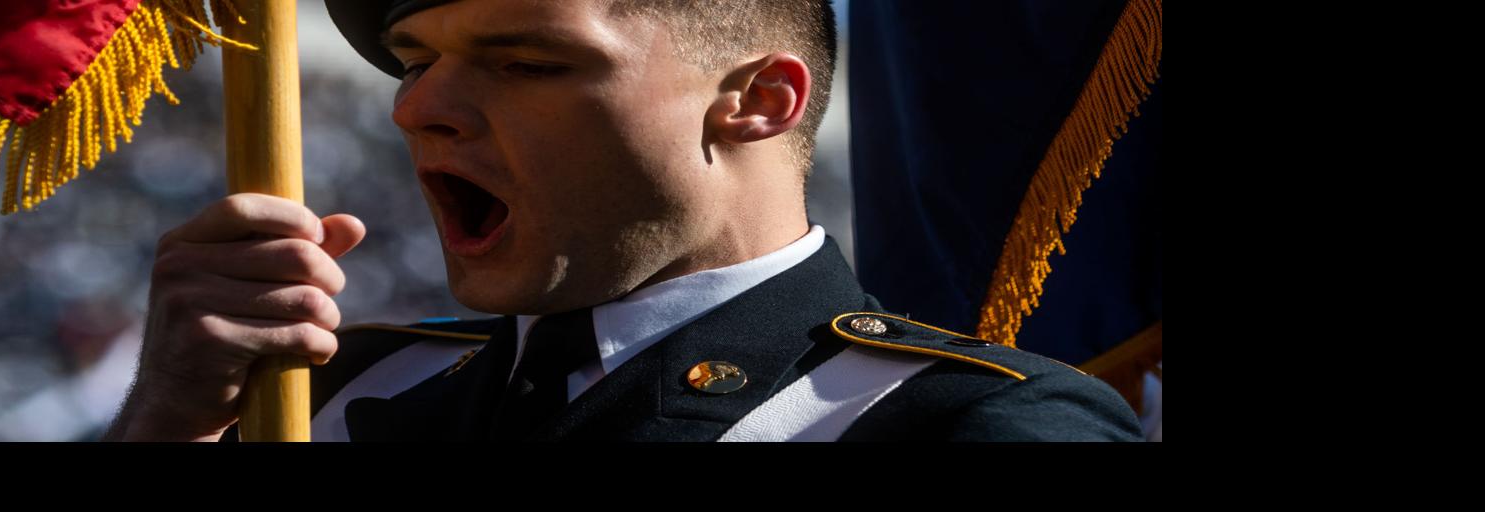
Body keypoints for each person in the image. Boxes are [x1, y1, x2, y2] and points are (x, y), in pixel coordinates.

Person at [103, 0, 1144, 441]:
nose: (415, 107)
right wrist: (168, 421)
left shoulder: (962, 425)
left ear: (760, 101)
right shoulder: (316, 397)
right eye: (417, 60)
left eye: (525, 63)